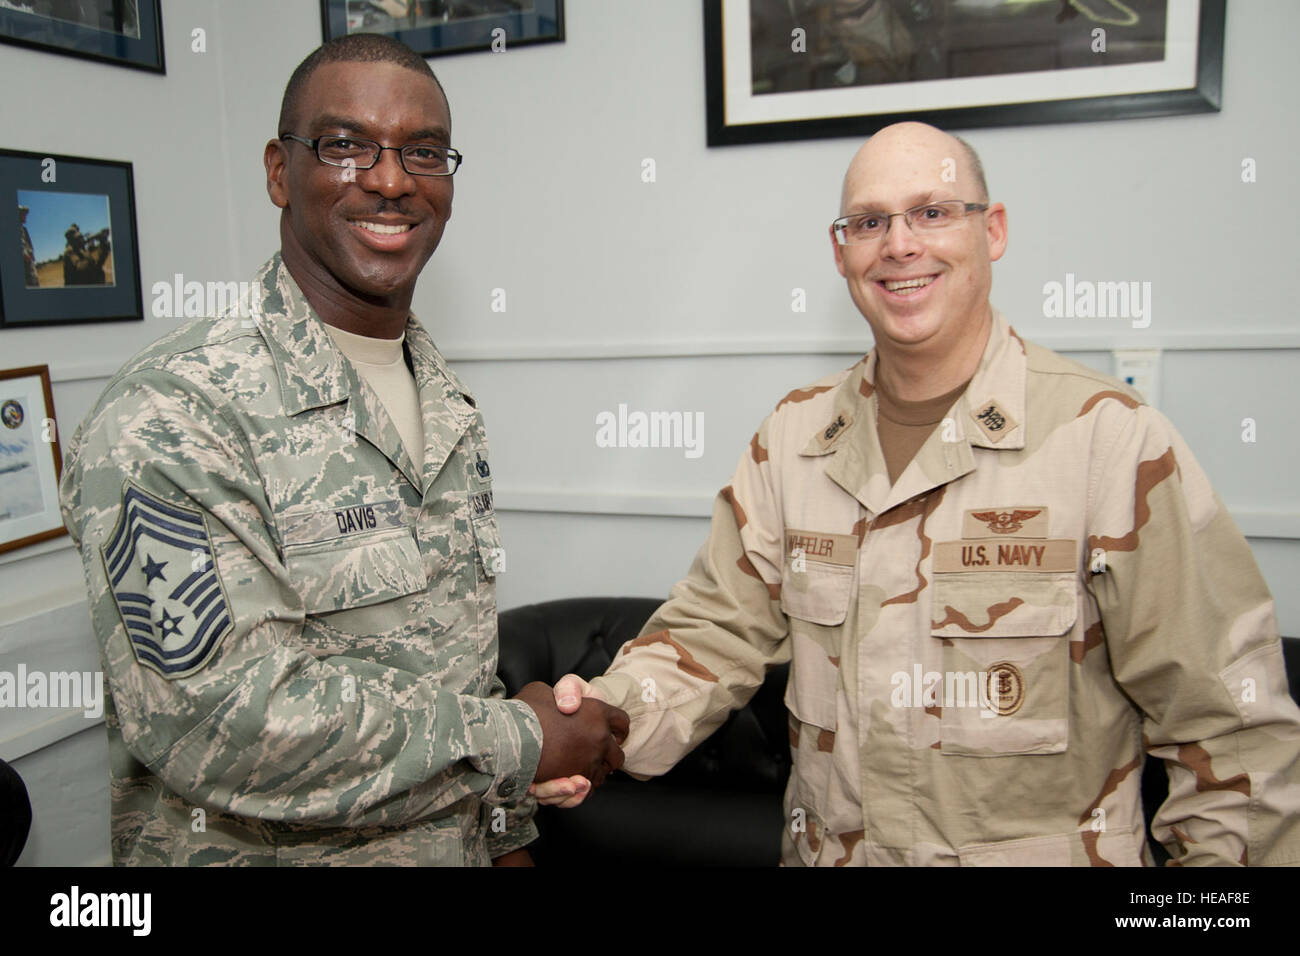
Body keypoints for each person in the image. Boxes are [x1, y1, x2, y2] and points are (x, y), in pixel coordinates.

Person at [534, 122, 1300, 866]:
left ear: (991, 231)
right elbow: (711, 634)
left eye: (932, 212)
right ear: (841, 252)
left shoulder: (1109, 440)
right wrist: (602, 719)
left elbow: (1231, 729)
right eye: (869, 222)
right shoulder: (793, 441)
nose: (900, 244)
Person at [59, 33, 628, 867]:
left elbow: (451, 671)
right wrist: (522, 739)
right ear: (279, 172)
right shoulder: (173, 411)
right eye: (346, 144)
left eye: (423, 153)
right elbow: (222, 723)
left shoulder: (444, 402)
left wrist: (508, 838)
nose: (391, 180)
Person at [18, 205, 38, 287]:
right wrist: (26, 255)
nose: (25, 215)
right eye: (23, 213)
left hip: (29, 265)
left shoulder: (23, 229)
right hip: (26, 267)